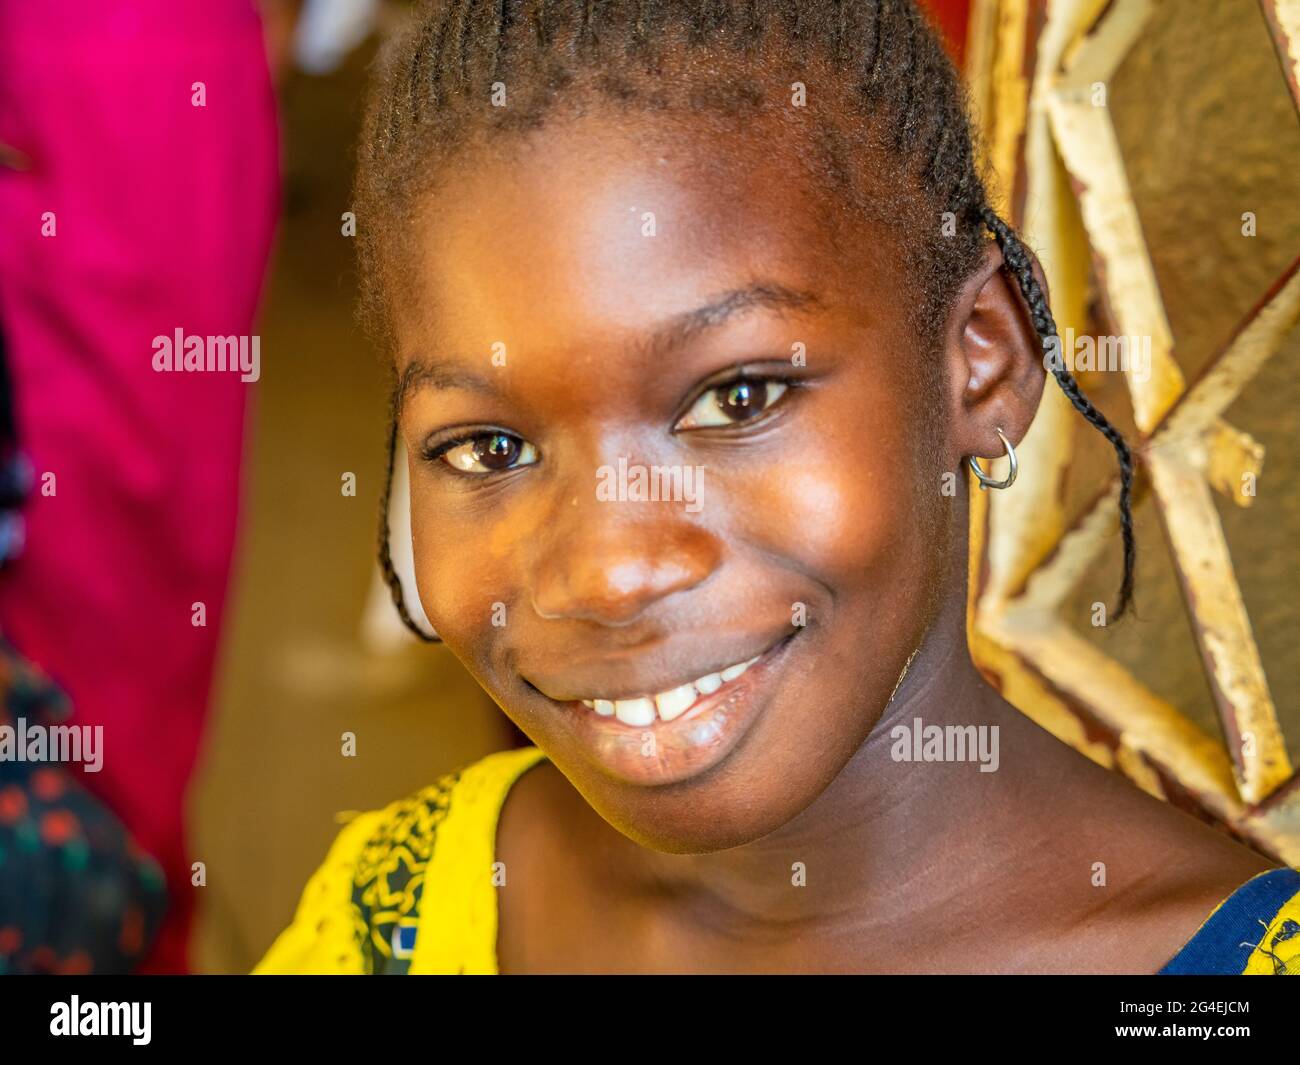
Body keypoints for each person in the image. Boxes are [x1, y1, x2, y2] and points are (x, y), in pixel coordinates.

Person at [255, 0, 1298, 974]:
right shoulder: (392, 908)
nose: (607, 575)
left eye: (738, 397)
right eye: (488, 448)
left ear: (981, 361)